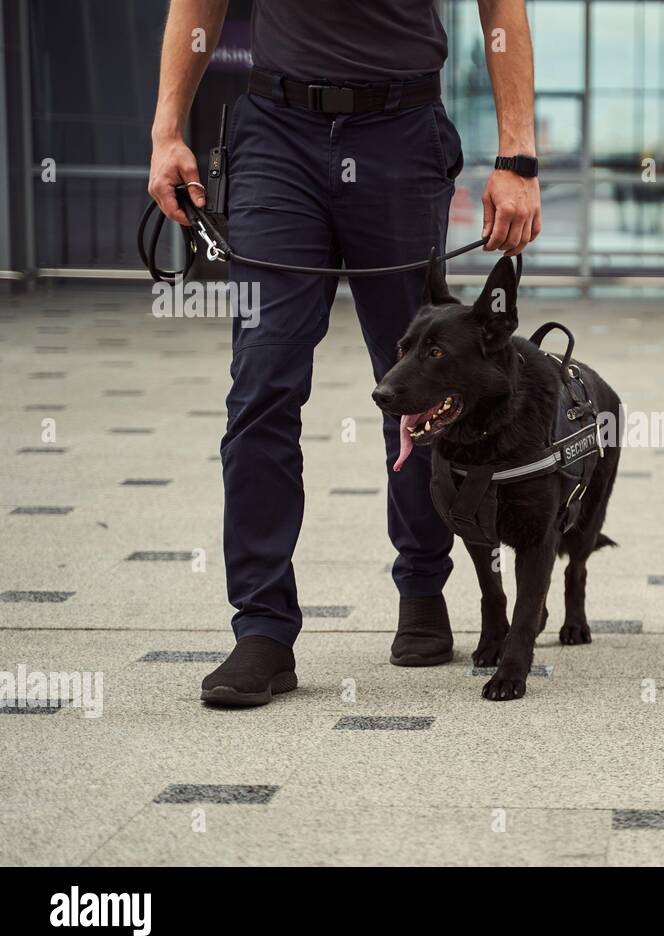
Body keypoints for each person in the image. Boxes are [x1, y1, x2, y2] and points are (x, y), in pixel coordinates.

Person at [146, 0, 541, 706]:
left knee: (426, 383)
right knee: (262, 382)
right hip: (276, 135)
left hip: (401, 133)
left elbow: (500, 9)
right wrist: (167, 130)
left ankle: (423, 583)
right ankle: (263, 630)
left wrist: (517, 154)